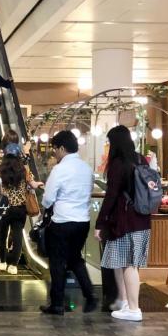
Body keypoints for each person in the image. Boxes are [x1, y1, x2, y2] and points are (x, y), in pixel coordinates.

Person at [94, 125, 151, 322]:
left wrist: (100, 223)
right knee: (125, 263)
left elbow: (111, 196)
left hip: (126, 221)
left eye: (109, 142)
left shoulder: (119, 164)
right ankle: (126, 303)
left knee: (129, 265)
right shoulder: (140, 159)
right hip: (142, 219)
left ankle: (134, 309)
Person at [40, 131, 97, 315]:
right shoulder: (87, 168)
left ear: (62, 148)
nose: (54, 153)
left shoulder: (60, 169)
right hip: (82, 222)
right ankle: (90, 294)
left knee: (57, 262)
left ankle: (57, 304)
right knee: (75, 258)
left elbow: (48, 198)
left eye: (55, 149)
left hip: (62, 221)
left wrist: (47, 205)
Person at [0, 143, 44, 275]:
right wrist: (39, 184)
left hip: (4, 207)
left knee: (2, 235)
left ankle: (2, 262)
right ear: (18, 155)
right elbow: (33, 184)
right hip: (20, 208)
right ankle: (13, 266)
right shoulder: (24, 169)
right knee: (17, 236)